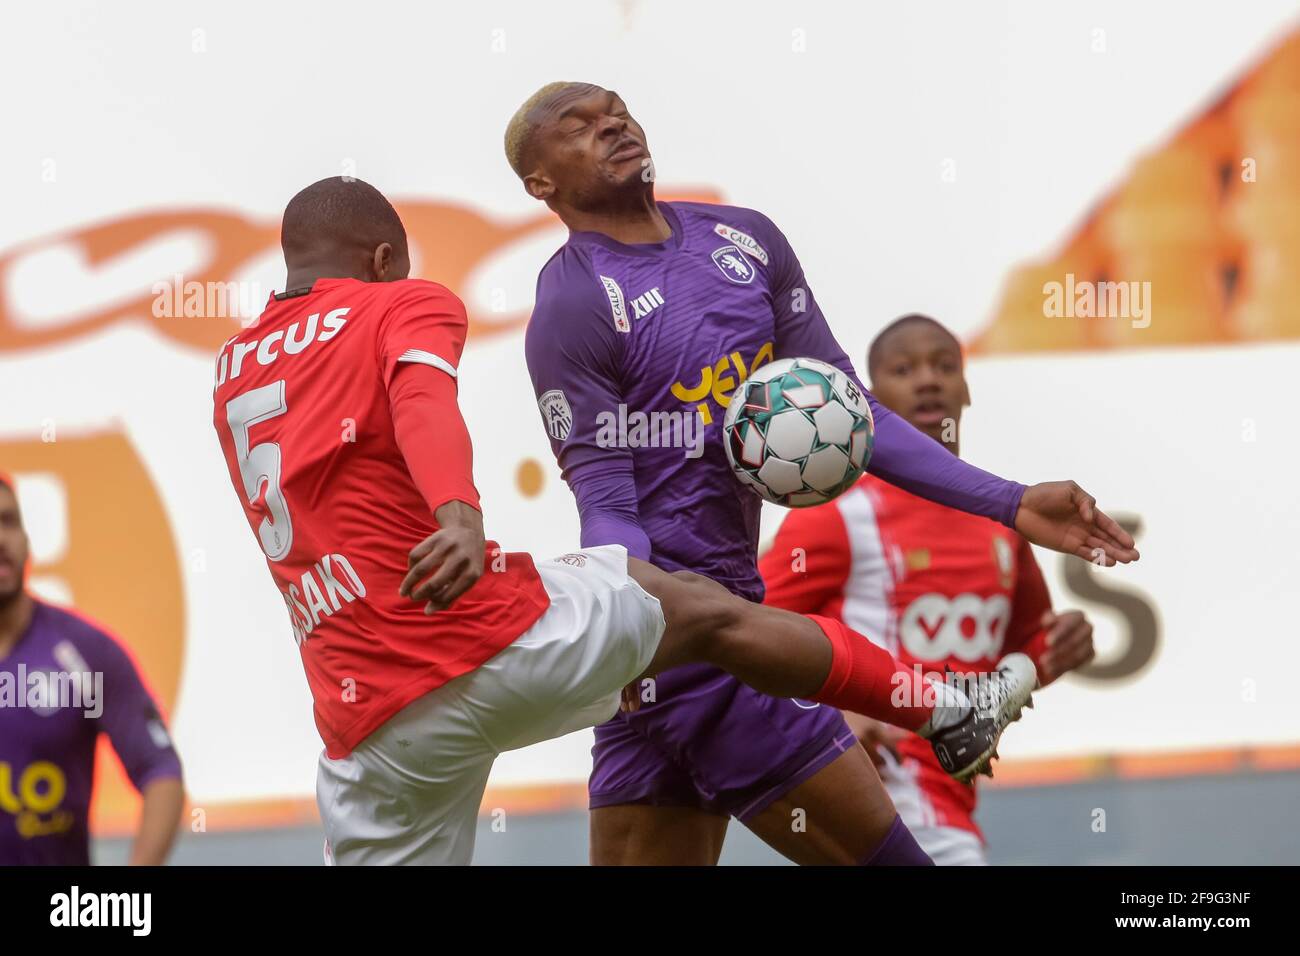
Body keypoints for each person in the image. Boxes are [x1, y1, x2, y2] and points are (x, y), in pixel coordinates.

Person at [210, 177, 1047, 865]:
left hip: (369, 721)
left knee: (671, 645)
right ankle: (942, 704)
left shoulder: (233, 368)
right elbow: (424, 403)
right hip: (475, 636)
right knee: (702, 608)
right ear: (385, 257)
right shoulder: (402, 304)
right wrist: (459, 515)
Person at [510, 82, 1137, 865]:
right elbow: (605, 507)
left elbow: (855, 414)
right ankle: (945, 710)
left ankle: (942, 708)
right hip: (704, 646)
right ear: (541, 184)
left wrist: (1009, 502)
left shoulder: (745, 241)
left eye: (617, 112)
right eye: (579, 128)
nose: (613, 127)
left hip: (699, 634)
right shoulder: (574, 302)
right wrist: (626, 623)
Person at [762, 314, 1099, 864]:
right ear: (873, 397)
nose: (928, 380)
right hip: (881, 789)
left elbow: (1012, 664)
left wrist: (1059, 650)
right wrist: (837, 714)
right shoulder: (841, 513)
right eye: (905, 368)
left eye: (944, 366)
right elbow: (751, 640)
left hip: (952, 793)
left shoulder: (1000, 525)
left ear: (966, 387)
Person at [0, 473, 184, 865]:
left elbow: (160, 770)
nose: (1, 540)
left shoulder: (84, 652)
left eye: (9, 521)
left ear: (28, 542)